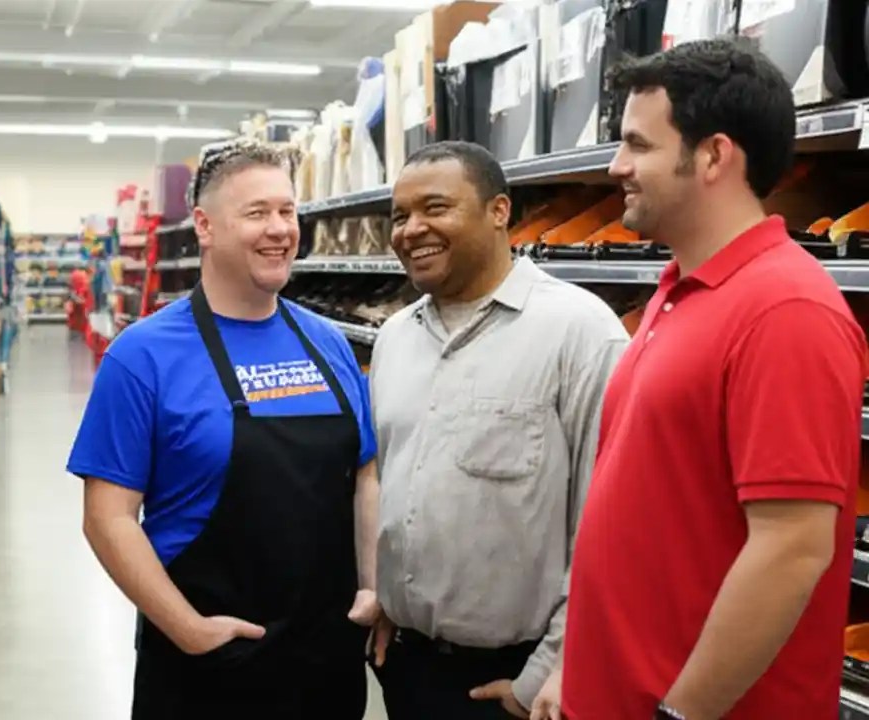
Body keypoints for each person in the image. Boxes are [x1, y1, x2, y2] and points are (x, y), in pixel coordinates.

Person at [555, 39, 867, 720]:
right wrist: (574, 664)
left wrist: (682, 713)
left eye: (638, 145)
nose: (617, 167)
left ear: (715, 155)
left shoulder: (786, 311)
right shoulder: (678, 291)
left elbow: (791, 548)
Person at [66, 139, 381, 720]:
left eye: (288, 211)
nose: (280, 229)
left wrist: (371, 586)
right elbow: (107, 518)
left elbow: (363, 470)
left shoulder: (328, 343)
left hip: (325, 665)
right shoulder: (143, 356)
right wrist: (187, 629)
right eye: (257, 213)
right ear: (206, 227)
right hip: (207, 669)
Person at [368, 140, 629, 720]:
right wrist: (389, 598)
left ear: (499, 212)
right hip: (407, 669)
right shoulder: (394, 339)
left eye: (436, 208)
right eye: (399, 216)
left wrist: (545, 672)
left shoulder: (580, 332)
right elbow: (395, 488)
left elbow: (609, 528)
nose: (412, 230)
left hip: (514, 681)